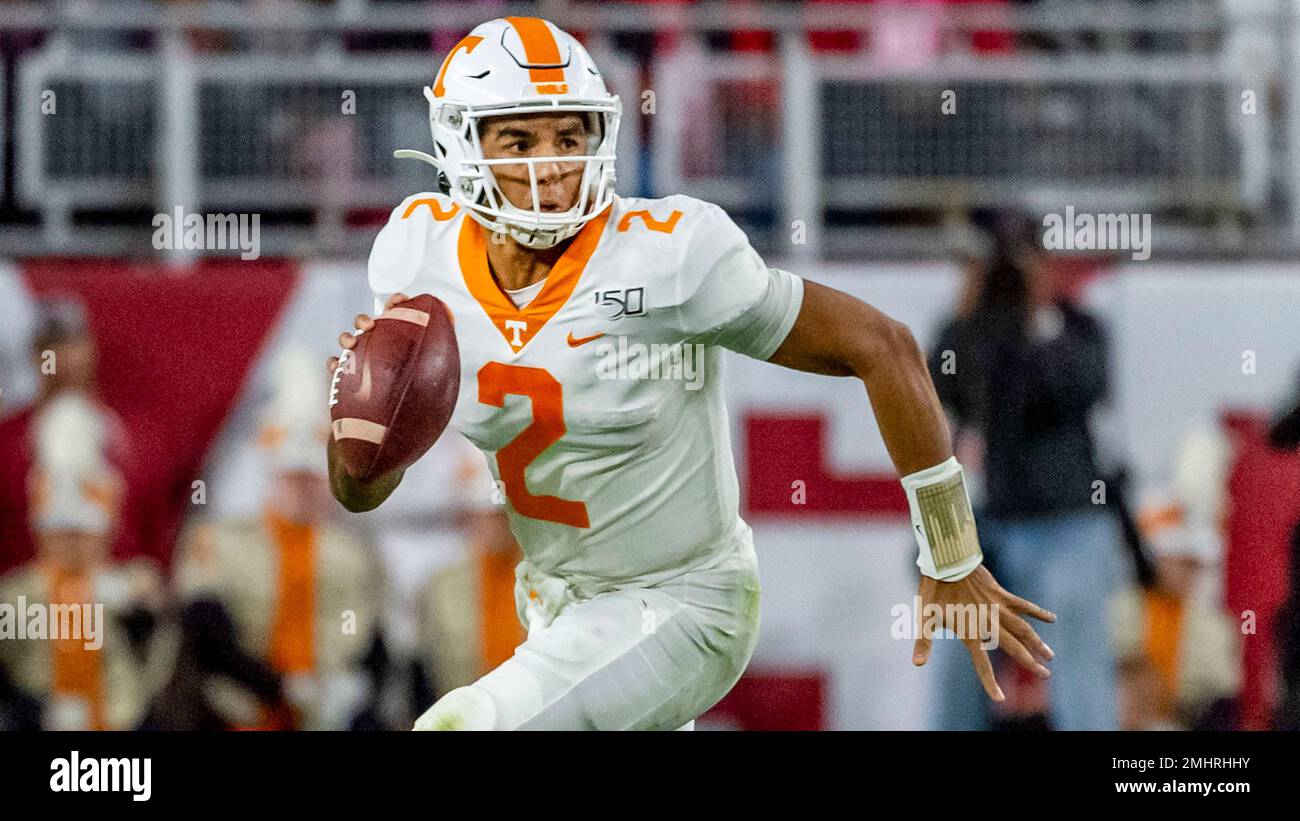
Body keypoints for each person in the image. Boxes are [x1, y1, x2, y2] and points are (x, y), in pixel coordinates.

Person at [327, 17, 1055, 731]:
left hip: (684, 602)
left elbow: (884, 346)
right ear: (460, 145)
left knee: (468, 723)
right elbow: (359, 491)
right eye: (519, 140)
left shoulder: (668, 256)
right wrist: (361, 426)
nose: (551, 165)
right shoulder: (416, 254)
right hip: (559, 607)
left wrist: (952, 550)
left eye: (570, 136)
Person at [925, 214, 1123, 730]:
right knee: (955, 664)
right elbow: (941, 390)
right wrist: (973, 311)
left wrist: (1037, 317)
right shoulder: (971, 332)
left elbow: (1079, 387)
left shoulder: (1079, 329)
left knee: (1077, 673)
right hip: (984, 527)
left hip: (1066, 524)